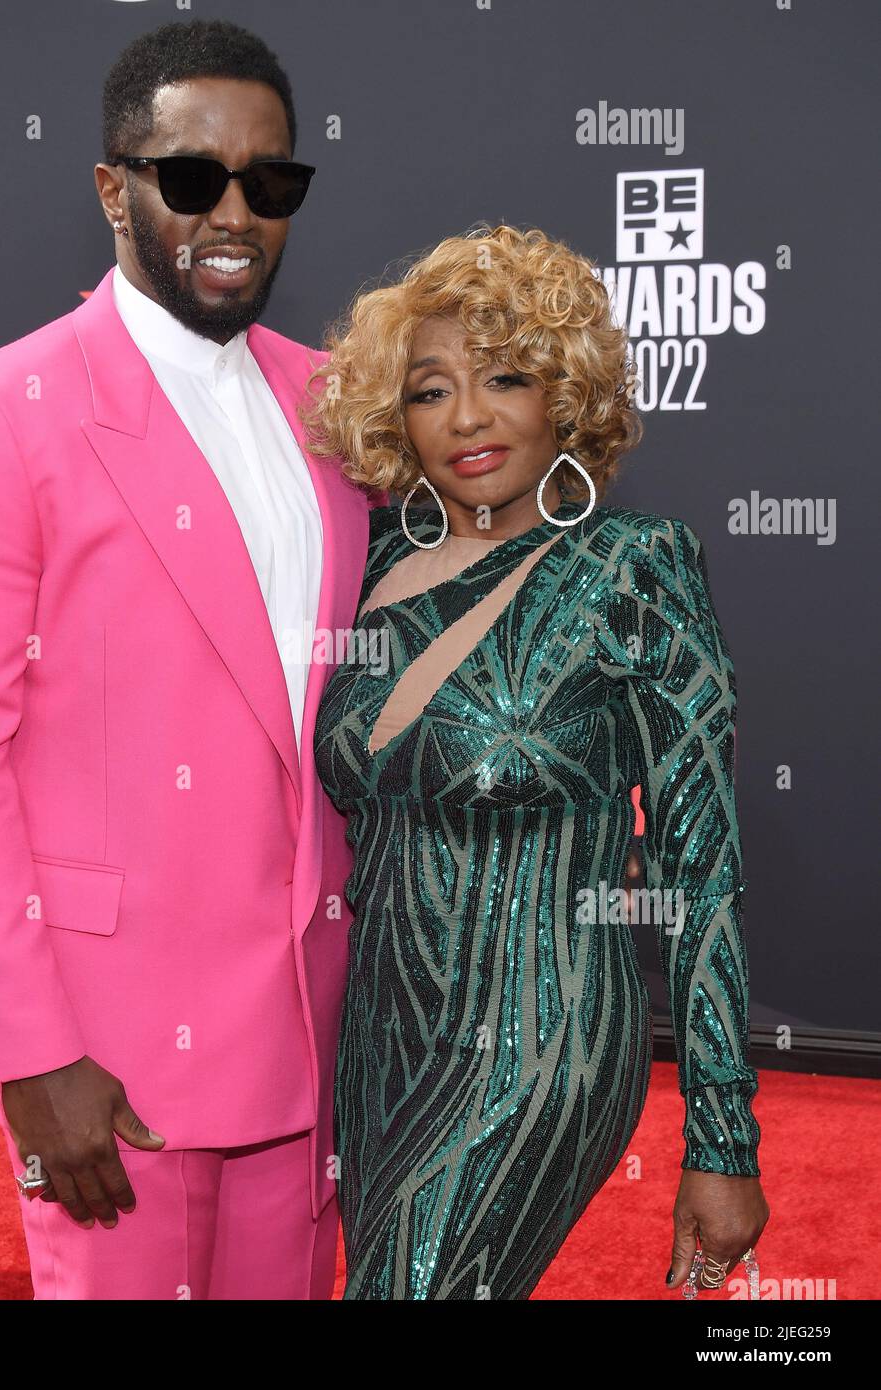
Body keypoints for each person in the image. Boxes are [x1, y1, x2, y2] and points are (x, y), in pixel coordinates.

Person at [0, 20, 374, 1300]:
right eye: (192, 175)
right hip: (111, 1059)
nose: (235, 212)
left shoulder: (340, 407)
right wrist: (25, 1051)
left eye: (269, 183)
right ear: (113, 187)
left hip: (314, 1041)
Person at [306, 223, 770, 1299]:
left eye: (504, 377)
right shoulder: (366, 561)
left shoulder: (632, 567)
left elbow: (700, 864)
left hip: (542, 1040)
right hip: (379, 1038)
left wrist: (721, 1138)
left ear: (563, 394)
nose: (465, 418)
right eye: (429, 390)